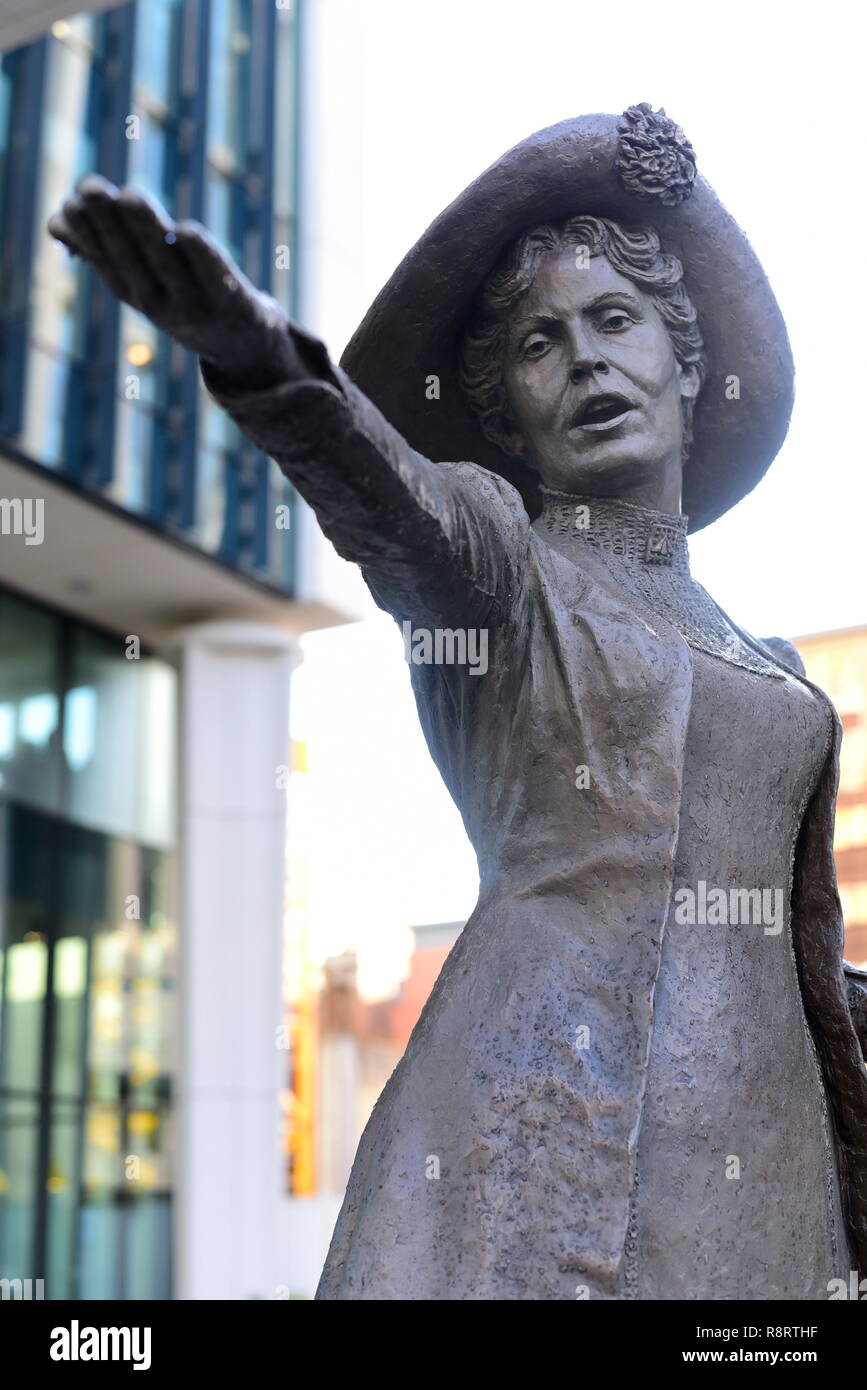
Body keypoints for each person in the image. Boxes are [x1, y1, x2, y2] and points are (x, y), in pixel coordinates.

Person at [49, 104, 867, 1301]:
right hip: (537, 1122)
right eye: (539, 346)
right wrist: (264, 363)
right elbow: (384, 490)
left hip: (765, 1145)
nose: (583, 358)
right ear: (506, 420)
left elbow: (800, 949)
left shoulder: (780, 666)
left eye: (615, 320)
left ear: (686, 364)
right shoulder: (500, 566)